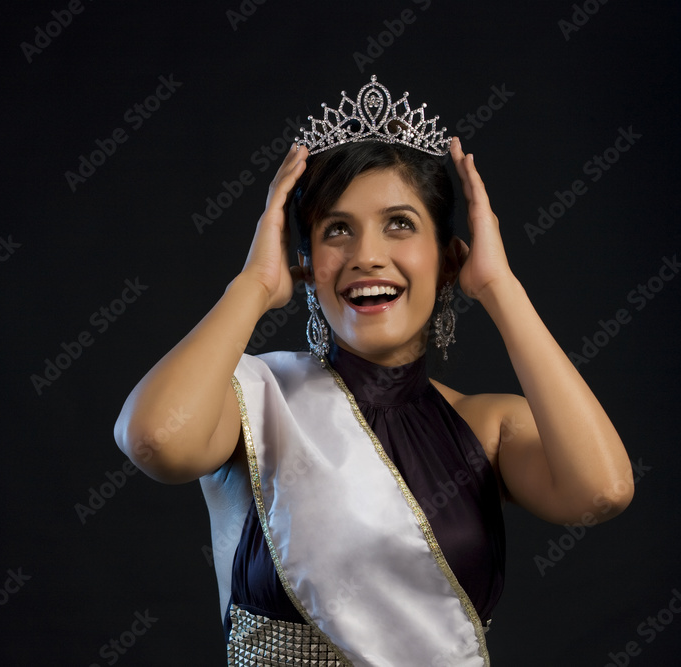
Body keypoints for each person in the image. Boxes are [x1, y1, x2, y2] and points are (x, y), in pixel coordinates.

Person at [113, 76, 633, 665]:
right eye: (337, 230)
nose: (365, 255)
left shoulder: (487, 426)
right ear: (306, 266)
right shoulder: (250, 402)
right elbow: (153, 438)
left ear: (449, 259)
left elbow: (603, 490)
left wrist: (499, 286)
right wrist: (253, 285)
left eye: (400, 224)